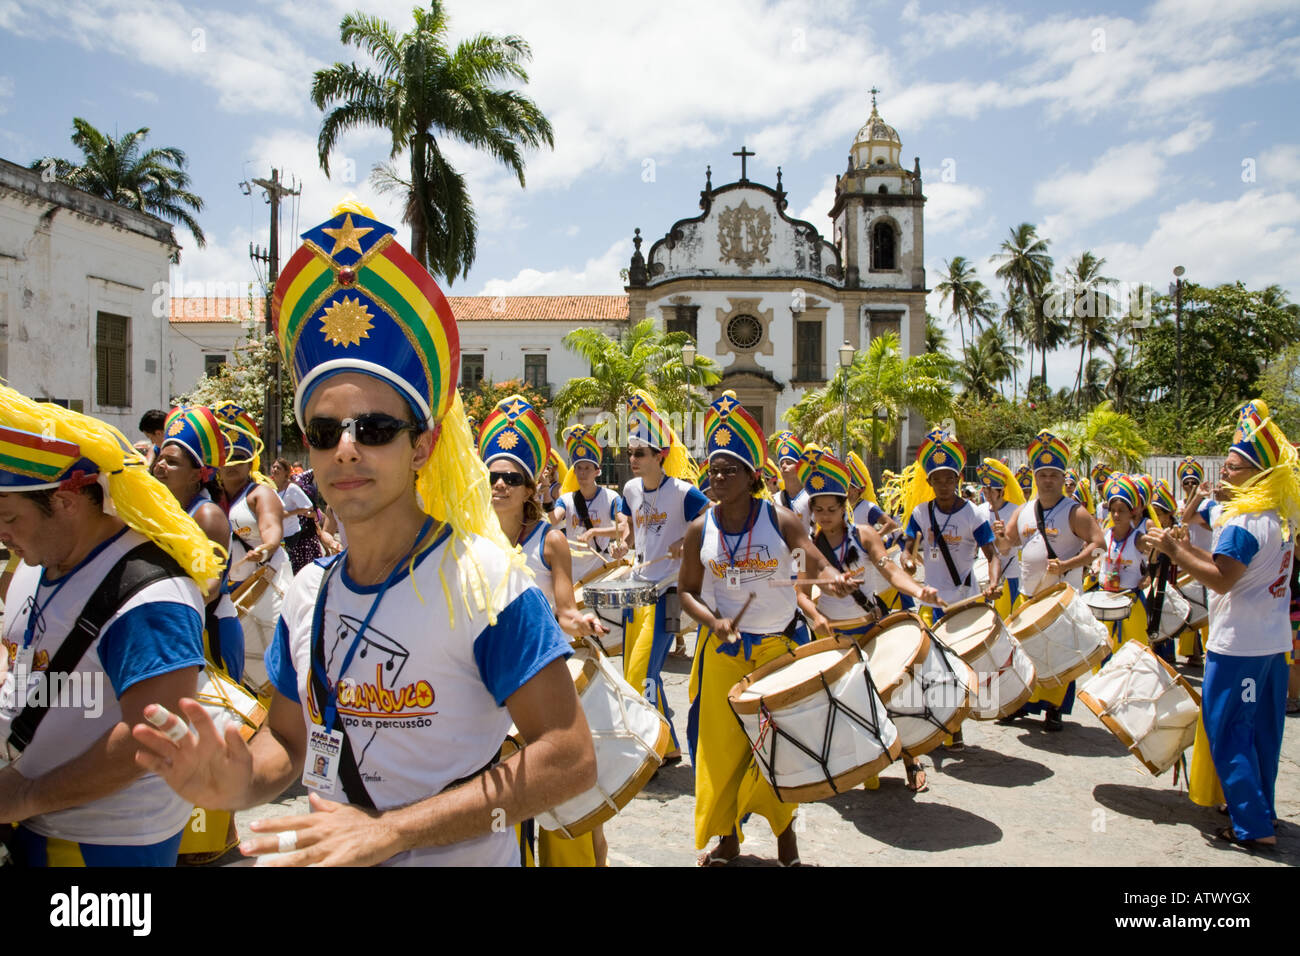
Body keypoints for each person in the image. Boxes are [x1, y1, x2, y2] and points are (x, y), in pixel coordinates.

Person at [132, 201, 595, 866]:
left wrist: (395, 831)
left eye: (374, 429)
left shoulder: (485, 582)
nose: (346, 449)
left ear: (421, 446)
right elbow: (288, 746)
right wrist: (233, 779)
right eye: (325, 431)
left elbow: (570, 759)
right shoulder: (306, 591)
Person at [0, 387, 221, 866]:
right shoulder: (36, 562)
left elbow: (154, 734)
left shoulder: (151, 597)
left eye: (10, 518)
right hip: (35, 822)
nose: (3, 534)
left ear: (66, 500)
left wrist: (24, 795)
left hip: (106, 844)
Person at [678, 393, 855, 866]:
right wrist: (712, 620)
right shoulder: (700, 529)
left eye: (728, 470)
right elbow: (687, 592)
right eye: (713, 470)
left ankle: (787, 844)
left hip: (777, 650)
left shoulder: (780, 519)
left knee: (776, 748)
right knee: (720, 750)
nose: (717, 478)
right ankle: (728, 840)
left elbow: (809, 556)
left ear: (753, 476)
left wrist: (833, 578)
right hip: (723, 654)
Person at [1147, 400, 1299, 849]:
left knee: (1230, 731)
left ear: (1256, 474)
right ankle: (1261, 812)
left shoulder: (1245, 525)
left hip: (1239, 648)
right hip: (1272, 645)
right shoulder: (1277, 516)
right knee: (1263, 734)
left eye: (1233, 467)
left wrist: (1175, 551)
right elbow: (1201, 517)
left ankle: (1253, 828)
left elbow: (1221, 578)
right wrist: (1195, 509)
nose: (1224, 473)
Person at [479, 394, 608, 867]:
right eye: (493, 475)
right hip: (487, 682)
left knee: (560, 794)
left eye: (512, 478)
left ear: (530, 487)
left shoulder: (550, 541)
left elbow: (565, 610)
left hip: (540, 675)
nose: (500, 485)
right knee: (499, 794)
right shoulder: (468, 541)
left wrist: (583, 622)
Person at [803, 446, 943, 791]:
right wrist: (815, 615)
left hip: (871, 628)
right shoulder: (810, 546)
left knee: (890, 696)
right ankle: (859, 766)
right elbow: (800, 593)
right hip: (834, 639)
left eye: (832, 509)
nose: (825, 516)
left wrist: (918, 589)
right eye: (818, 510)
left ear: (844, 506)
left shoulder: (863, 535)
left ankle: (911, 758)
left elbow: (890, 570)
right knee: (847, 705)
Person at [151, 405, 248, 863]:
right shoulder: (159, 507)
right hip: (179, 625)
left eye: (172, 460)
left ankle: (215, 840)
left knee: (211, 730)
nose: (159, 465)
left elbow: (209, 586)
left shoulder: (207, 514)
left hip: (207, 629)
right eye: (160, 456)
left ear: (198, 473)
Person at [993, 430, 1105, 731]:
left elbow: (1099, 544)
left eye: (1054, 474)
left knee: (1058, 653)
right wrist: (1001, 538)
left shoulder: (1075, 511)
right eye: (1042, 474)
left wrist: (1069, 563)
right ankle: (1020, 703)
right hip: (1028, 595)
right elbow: (1007, 547)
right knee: (1023, 653)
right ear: (1034, 476)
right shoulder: (1023, 511)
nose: (1048, 480)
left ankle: (1054, 708)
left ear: (1062, 476)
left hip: (1060, 598)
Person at [619, 390, 707, 763]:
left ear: (660, 456)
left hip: (669, 590)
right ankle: (667, 742)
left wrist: (687, 541)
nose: (633, 459)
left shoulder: (684, 492)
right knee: (635, 667)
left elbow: (713, 521)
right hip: (638, 588)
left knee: (644, 669)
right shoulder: (630, 489)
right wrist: (623, 536)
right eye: (630, 453)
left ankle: (651, 745)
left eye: (640, 453)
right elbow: (626, 517)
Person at [212, 402, 289, 692]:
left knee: (272, 663)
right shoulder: (211, 496)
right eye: (226, 458)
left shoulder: (260, 494)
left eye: (239, 458)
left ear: (250, 462)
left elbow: (272, 529)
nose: (232, 464)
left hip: (268, 584)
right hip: (228, 593)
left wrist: (266, 548)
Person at [899, 428, 1003, 625]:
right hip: (931, 601)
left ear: (957, 479)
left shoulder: (973, 513)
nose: (943, 485)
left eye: (949, 479)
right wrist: (907, 562)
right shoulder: (920, 513)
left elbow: (993, 556)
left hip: (964, 600)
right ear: (929, 482)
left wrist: (994, 583)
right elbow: (907, 549)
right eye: (937, 480)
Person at [553, 423, 627, 581]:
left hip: (600, 572)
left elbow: (623, 527)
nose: (582, 472)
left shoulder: (611, 497)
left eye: (587, 468)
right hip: (572, 575)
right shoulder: (565, 500)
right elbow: (552, 520)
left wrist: (594, 532)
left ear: (597, 471)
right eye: (578, 468)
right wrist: (545, 493)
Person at [1096, 474, 1153, 652]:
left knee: (1134, 656)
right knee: (1104, 656)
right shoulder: (1105, 534)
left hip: (1131, 603)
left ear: (1133, 512)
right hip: (1104, 602)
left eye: (1121, 510)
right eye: (1113, 510)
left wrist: (1150, 575)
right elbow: (1096, 555)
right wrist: (1095, 566)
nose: (1116, 515)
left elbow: (1160, 555)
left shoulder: (1139, 539)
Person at [975, 458, 1025, 620]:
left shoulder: (1014, 510)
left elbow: (1012, 545)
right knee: (983, 619)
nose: (987, 494)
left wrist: (1002, 536)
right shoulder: (979, 510)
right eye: (985, 490)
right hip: (983, 571)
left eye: (991, 491)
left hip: (1008, 572)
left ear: (1001, 491)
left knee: (1007, 619)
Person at [271, 457, 322, 574]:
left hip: (290, 535)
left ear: (285, 472)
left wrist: (289, 513)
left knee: (288, 568)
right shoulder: (272, 488)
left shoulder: (292, 488)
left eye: (278, 467)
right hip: (278, 535)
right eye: (273, 467)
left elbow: (308, 506)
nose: (274, 469)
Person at [771, 430, 813, 530]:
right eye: (781, 464)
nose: (784, 466)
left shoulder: (810, 498)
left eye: (789, 463)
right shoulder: (774, 500)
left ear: (799, 467)